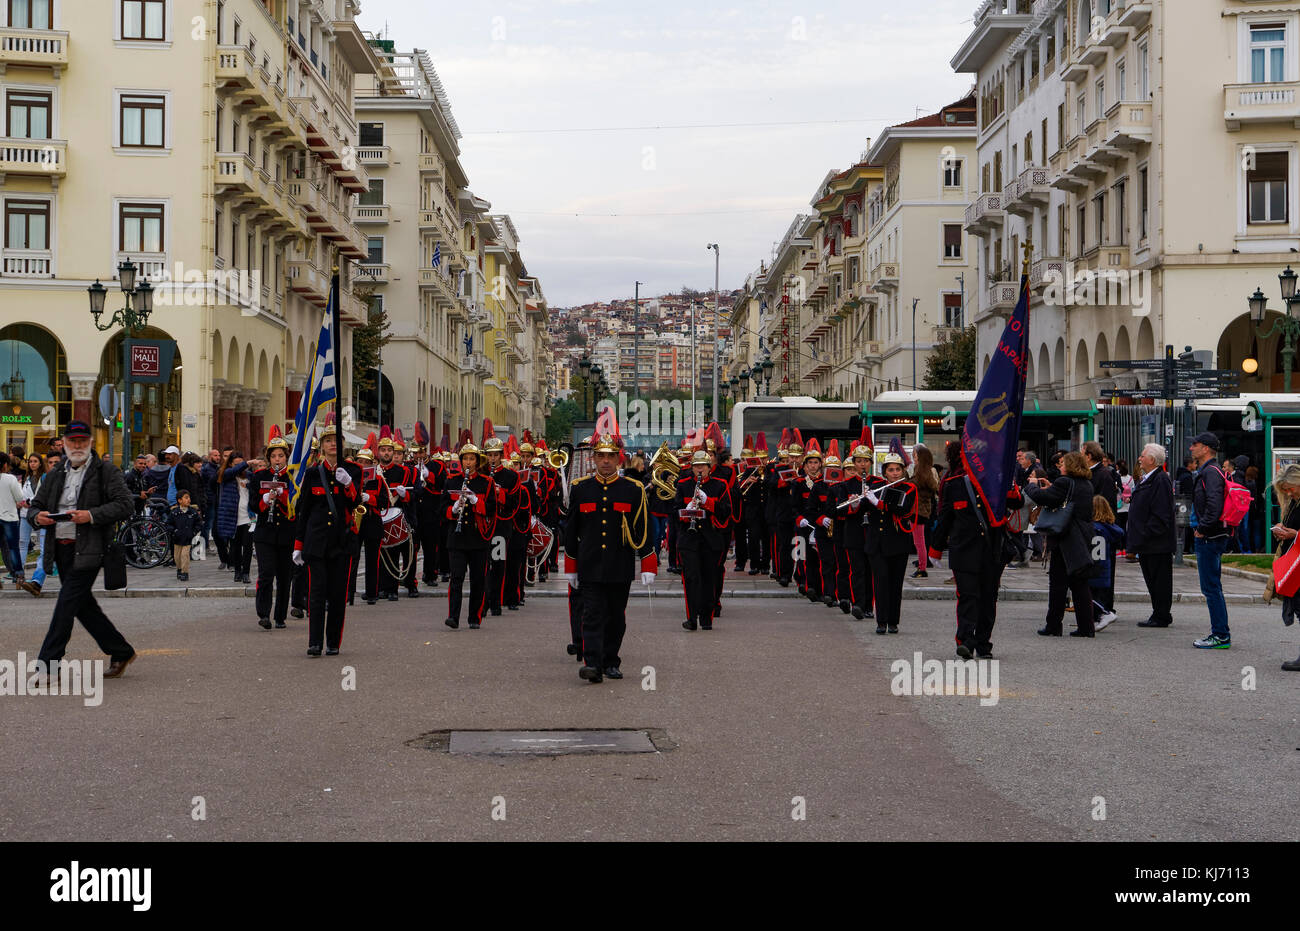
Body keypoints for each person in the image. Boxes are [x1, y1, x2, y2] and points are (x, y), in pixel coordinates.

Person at [28, 420, 138, 679]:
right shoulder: (55, 473)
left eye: (82, 441)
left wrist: (90, 515)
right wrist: (37, 517)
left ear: (90, 443)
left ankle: (48, 666)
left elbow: (125, 505)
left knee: (66, 604)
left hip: (90, 548)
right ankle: (120, 650)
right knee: (82, 606)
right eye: (72, 441)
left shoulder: (105, 471)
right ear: (64, 443)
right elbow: (35, 506)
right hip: (61, 549)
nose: (77, 446)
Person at [563, 430, 657, 682]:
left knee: (616, 617)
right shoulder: (580, 489)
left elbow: (643, 527)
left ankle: (610, 660)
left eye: (611, 456)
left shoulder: (633, 489)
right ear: (593, 458)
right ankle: (592, 663)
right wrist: (570, 566)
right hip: (590, 563)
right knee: (591, 614)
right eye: (601, 456)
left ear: (619, 459)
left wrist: (648, 562)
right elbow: (571, 530)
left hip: (619, 563)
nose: (606, 461)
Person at [928, 441, 1021, 659]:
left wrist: (1008, 482)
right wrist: (936, 548)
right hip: (964, 550)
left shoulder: (997, 480)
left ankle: (983, 643)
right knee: (968, 597)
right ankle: (966, 642)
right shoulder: (953, 483)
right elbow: (945, 518)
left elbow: (1018, 502)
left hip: (992, 550)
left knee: (988, 598)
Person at [293, 431, 363, 656]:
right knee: (316, 594)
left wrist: (348, 484)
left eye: (336, 441)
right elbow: (304, 511)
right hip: (317, 541)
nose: (333, 444)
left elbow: (356, 503)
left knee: (337, 595)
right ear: (322, 447)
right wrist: (298, 544)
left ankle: (333, 641)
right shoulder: (313, 473)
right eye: (328, 441)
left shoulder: (354, 471)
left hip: (342, 541)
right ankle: (314, 642)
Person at [1025, 451, 1098, 638]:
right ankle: (1086, 627)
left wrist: (1032, 486)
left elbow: (1045, 498)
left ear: (1071, 465)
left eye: (1064, 463)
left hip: (1065, 537)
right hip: (1082, 536)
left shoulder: (1065, 482)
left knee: (1058, 583)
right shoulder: (1086, 484)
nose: (1061, 466)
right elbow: (1063, 497)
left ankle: (1053, 625)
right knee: (1079, 583)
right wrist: (1050, 488)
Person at [674, 449, 732, 631]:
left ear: (709, 467)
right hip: (689, 539)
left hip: (711, 538)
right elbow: (674, 512)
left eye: (703, 466)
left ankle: (706, 618)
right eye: (696, 466)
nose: (699, 469)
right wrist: (686, 509)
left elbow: (726, 511)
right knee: (691, 578)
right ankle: (691, 618)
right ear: (691, 468)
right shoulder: (683, 485)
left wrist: (707, 501)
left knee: (709, 578)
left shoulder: (720, 485)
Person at [442, 442, 498, 630]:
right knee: (456, 578)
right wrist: (454, 508)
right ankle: (453, 616)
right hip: (457, 538)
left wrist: (475, 500)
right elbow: (442, 509)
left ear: (476, 461)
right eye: (465, 459)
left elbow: (491, 509)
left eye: (471, 459)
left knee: (477, 580)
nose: (468, 462)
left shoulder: (486, 482)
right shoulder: (451, 481)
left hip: (478, 537)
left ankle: (474, 616)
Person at [862, 452, 917, 635]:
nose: (894, 473)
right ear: (884, 472)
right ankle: (881, 621)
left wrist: (878, 503)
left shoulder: (909, 488)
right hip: (876, 544)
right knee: (880, 582)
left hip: (897, 543)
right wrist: (860, 500)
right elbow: (864, 510)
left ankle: (893, 621)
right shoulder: (875, 486)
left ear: (903, 471)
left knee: (895, 584)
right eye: (890, 470)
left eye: (897, 469)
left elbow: (905, 510)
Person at [1189, 432, 1232, 649]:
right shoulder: (1211, 471)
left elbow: (1214, 505)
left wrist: (1202, 529)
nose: (1191, 448)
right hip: (1213, 535)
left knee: (1211, 587)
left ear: (1206, 448)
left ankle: (1221, 635)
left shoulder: (1210, 473)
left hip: (1210, 537)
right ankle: (1220, 633)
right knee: (1212, 586)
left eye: (1194, 445)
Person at [250, 427, 296, 629]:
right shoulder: (258, 476)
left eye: (281, 456)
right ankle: (263, 614)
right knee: (266, 573)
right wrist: (265, 499)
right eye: (274, 456)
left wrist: (283, 497)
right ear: (268, 458)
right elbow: (252, 505)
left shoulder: (293, 477)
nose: (277, 460)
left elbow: (297, 506)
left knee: (285, 577)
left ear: (286, 457)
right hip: (265, 533)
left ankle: (280, 616)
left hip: (287, 533)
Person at [1128, 443, 1176, 629]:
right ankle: (1159, 612)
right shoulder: (1147, 478)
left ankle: (1161, 615)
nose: (1139, 459)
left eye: (1142, 456)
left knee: (1160, 580)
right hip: (1147, 543)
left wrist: (1146, 533)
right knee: (1152, 580)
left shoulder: (1160, 480)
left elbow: (1161, 513)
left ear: (1152, 460)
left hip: (1156, 543)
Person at [1269, 465, 1300, 671]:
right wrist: (1281, 530)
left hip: (1297, 560)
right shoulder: (1293, 502)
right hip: (1293, 561)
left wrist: (1294, 535)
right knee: (1299, 608)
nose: (1289, 492)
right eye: (1285, 490)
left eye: (1291, 488)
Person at [215, 450, 252, 583]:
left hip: (248, 516)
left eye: (241, 463)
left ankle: (246, 572)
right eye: (236, 464)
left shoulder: (249, 475)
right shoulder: (226, 475)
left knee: (247, 546)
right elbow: (229, 472)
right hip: (233, 517)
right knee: (235, 547)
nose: (239, 467)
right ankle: (237, 571)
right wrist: (246, 463)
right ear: (230, 464)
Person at [1089, 496, 1124, 631]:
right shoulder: (1109, 528)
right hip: (1104, 567)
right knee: (1096, 596)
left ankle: (1105, 613)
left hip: (1096, 566)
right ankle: (1096, 617)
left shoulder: (1095, 528)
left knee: (1088, 595)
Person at [19, 453, 48, 596]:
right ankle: (19, 575)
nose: (32, 464)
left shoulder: (43, 477)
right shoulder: (27, 477)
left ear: (40, 463)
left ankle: (36, 580)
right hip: (25, 514)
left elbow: (41, 495)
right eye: (30, 461)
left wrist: (29, 502)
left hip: (39, 515)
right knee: (22, 543)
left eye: (35, 461)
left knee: (44, 548)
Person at [910, 444, 939, 578]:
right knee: (919, 540)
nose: (913, 457)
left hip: (920, 510)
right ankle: (922, 565)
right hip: (917, 509)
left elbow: (934, 487)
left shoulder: (924, 471)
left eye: (915, 455)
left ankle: (922, 568)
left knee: (919, 541)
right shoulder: (918, 470)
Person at [0, 452, 27, 588]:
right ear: (5, 465)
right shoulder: (10, 479)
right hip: (9, 517)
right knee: (13, 547)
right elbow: (20, 497)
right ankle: (19, 575)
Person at [170, 490, 201, 582]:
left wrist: (194, 532)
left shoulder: (193, 512)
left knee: (185, 555)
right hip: (177, 538)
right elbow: (168, 524)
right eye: (186, 498)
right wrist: (174, 531)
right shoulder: (174, 512)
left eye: (189, 498)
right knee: (177, 556)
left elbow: (199, 523)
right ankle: (179, 569)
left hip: (188, 538)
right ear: (179, 500)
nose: (189, 500)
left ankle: (185, 572)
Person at [1230, 455, 1253, 554]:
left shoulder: (1235, 476)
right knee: (1243, 528)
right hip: (1242, 506)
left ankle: (1241, 548)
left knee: (1239, 528)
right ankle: (1244, 549)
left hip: (1237, 506)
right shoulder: (1242, 476)